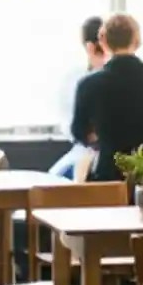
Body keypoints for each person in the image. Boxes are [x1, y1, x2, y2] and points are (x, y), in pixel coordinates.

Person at [70, 13, 143, 182]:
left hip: (109, 175)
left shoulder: (88, 84)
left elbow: (79, 132)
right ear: (137, 40)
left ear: (103, 42)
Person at [49, 16, 107, 179]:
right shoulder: (75, 80)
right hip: (84, 151)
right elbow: (71, 126)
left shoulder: (122, 79)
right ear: (90, 48)